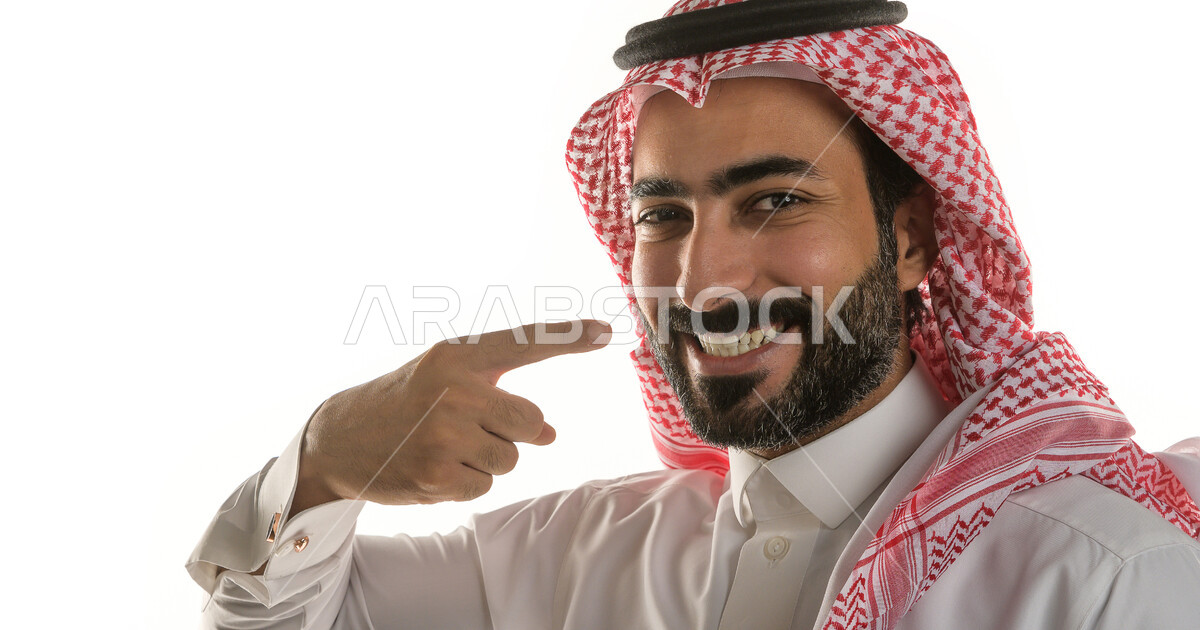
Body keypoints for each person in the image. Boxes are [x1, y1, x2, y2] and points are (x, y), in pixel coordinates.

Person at [186, 0, 1200, 628]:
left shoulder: (1094, 576)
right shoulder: (574, 558)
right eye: (663, 214)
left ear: (917, 240)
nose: (703, 274)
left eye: (777, 200)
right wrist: (326, 462)